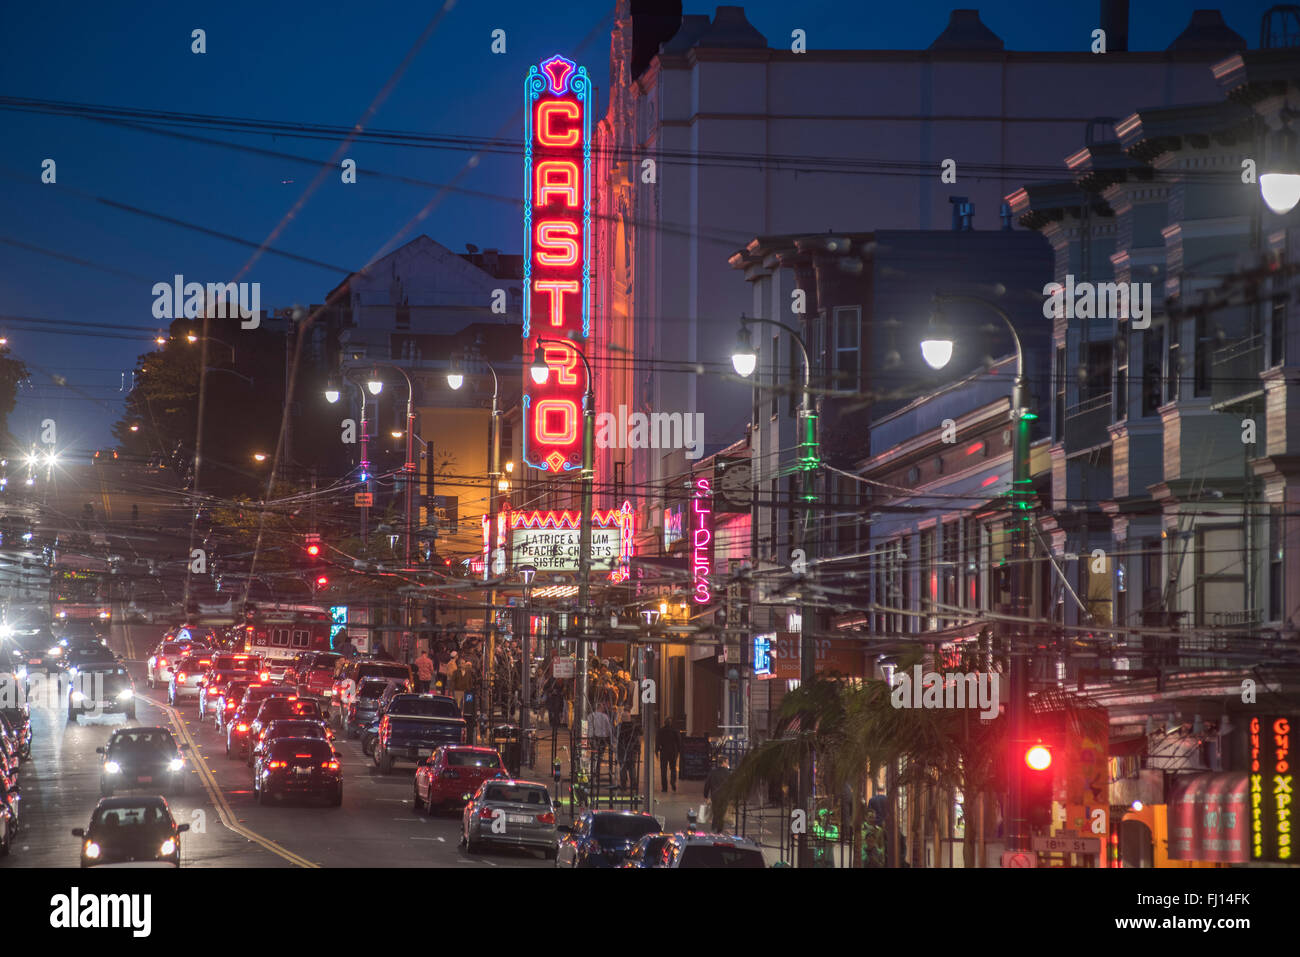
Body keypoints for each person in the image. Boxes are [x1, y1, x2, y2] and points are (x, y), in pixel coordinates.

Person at [703, 755, 733, 831]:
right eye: (727, 763)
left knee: (715, 812)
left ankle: (714, 827)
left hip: (715, 796)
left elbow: (707, 784)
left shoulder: (713, 772)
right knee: (722, 813)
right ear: (723, 763)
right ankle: (719, 829)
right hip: (725, 796)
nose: (728, 765)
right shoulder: (728, 773)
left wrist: (706, 796)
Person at [616, 715, 642, 791]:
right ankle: (633, 784)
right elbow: (639, 737)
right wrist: (638, 749)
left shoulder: (619, 727)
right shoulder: (634, 727)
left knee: (623, 768)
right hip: (632, 750)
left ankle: (623, 785)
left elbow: (615, 735)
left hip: (622, 750)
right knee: (632, 767)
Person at [589, 704, 614, 781]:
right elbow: (609, 729)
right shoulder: (605, 717)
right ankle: (597, 770)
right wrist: (610, 738)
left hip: (594, 737)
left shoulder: (591, 716)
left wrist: (589, 737)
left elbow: (589, 727)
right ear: (600, 708)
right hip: (602, 738)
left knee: (594, 755)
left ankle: (593, 770)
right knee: (600, 755)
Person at [656, 718, 680, 793]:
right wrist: (679, 751)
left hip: (664, 752)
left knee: (663, 770)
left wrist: (656, 751)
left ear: (664, 723)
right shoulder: (675, 730)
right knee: (673, 768)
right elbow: (679, 741)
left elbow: (657, 741)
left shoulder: (660, 731)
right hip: (673, 751)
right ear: (670, 723)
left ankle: (664, 788)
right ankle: (672, 781)